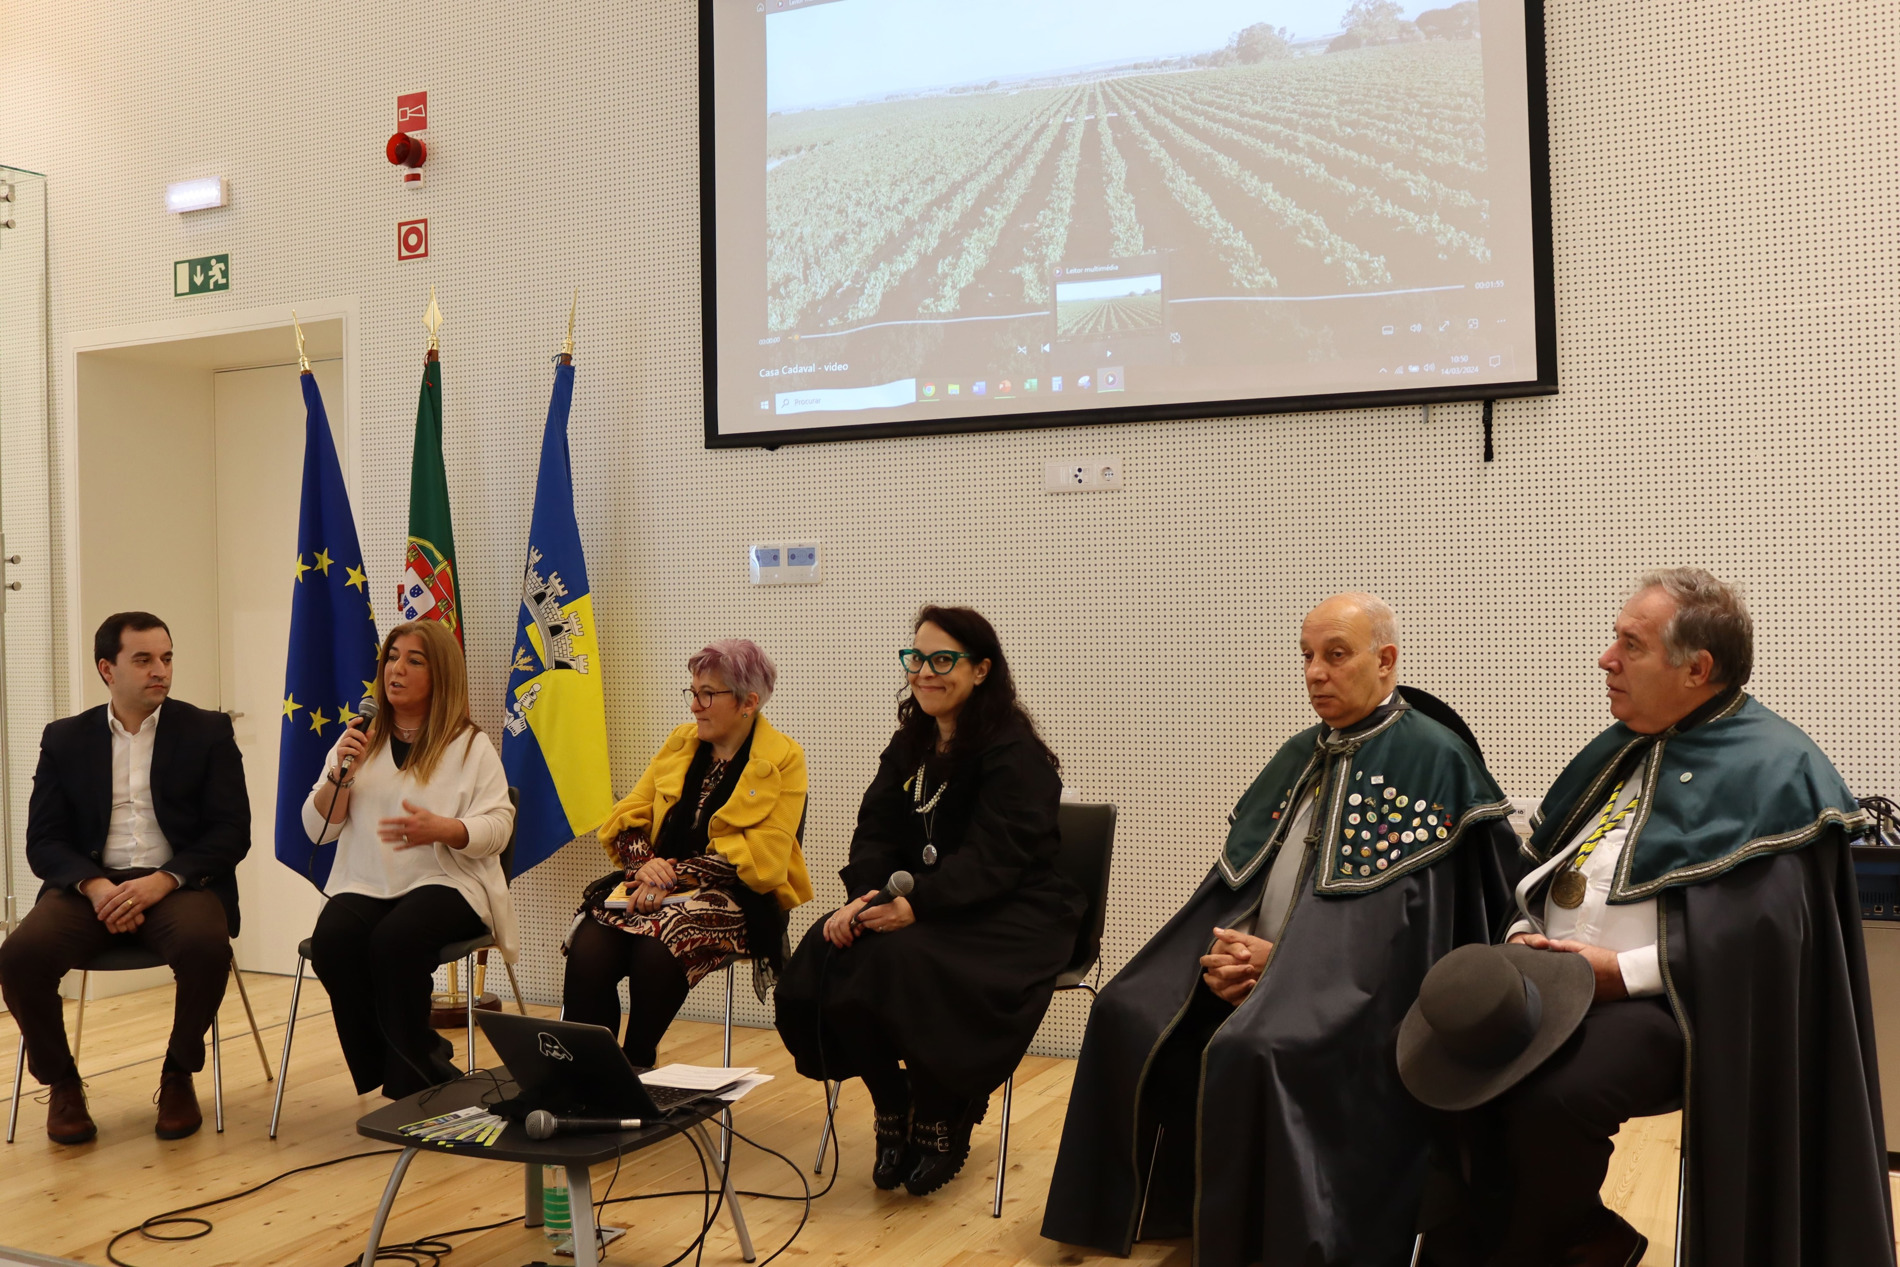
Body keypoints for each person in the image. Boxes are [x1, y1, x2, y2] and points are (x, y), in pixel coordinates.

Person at [1402, 569, 1894, 1267]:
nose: (1606, 659)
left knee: (1554, 1099)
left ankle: (1530, 1249)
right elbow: (1544, 870)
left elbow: (1765, 943)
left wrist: (1621, 974)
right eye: (1614, 639)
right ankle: (1573, 1236)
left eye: (1629, 644)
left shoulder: (1780, 771)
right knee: (1447, 1066)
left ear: (1698, 668)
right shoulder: (1622, 747)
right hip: (1555, 984)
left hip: (1685, 1007)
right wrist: (1521, 934)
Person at [1041, 593, 1523, 1266]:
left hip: (1355, 994)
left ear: (1385, 660)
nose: (1316, 673)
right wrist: (1227, 952)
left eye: (1336, 654)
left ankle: (1261, 1241)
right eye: (1306, 655)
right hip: (1254, 956)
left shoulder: (1433, 759)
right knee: (1125, 1009)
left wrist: (1285, 968)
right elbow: (1243, 882)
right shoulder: (1300, 752)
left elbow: (1410, 933)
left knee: (1258, 1046)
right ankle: (1159, 1210)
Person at [775, 605, 1083, 1196]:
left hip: (1012, 909)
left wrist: (918, 905)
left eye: (943, 660)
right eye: (916, 658)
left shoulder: (1013, 752)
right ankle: (892, 1101)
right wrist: (866, 900)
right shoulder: (911, 742)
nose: (925, 672)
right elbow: (875, 832)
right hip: (921, 901)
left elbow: (998, 857)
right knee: (831, 948)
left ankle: (944, 1109)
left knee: (902, 960)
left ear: (982, 669)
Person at [0, 612, 250, 1143]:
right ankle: (63, 1083)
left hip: (179, 885)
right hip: (93, 886)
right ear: (106, 669)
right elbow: (43, 840)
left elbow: (232, 832)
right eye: (143, 660)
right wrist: (95, 886)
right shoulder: (65, 739)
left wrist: (165, 879)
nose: (160, 670)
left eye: (166, 657)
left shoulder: (207, 730)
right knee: (19, 956)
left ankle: (178, 1073)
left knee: (208, 947)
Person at [563, 639, 811, 1066]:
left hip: (738, 896)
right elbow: (629, 814)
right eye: (692, 692)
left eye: (707, 694)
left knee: (661, 939)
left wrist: (671, 879)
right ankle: (587, 1069)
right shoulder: (682, 742)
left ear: (748, 701)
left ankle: (636, 1062)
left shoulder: (784, 758)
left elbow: (763, 857)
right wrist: (644, 867)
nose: (694, 705)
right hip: (652, 884)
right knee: (591, 940)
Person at [303, 619, 516, 1100]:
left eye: (413, 660)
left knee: (395, 942)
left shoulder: (468, 745)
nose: (396, 669)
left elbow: (499, 827)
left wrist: (447, 829)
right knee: (334, 942)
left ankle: (407, 1085)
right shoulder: (358, 739)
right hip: (366, 880)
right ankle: (417, 1058)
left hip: (448, 881)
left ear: (440, 674)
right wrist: (341, 774)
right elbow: (319, 830)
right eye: (392, 657)